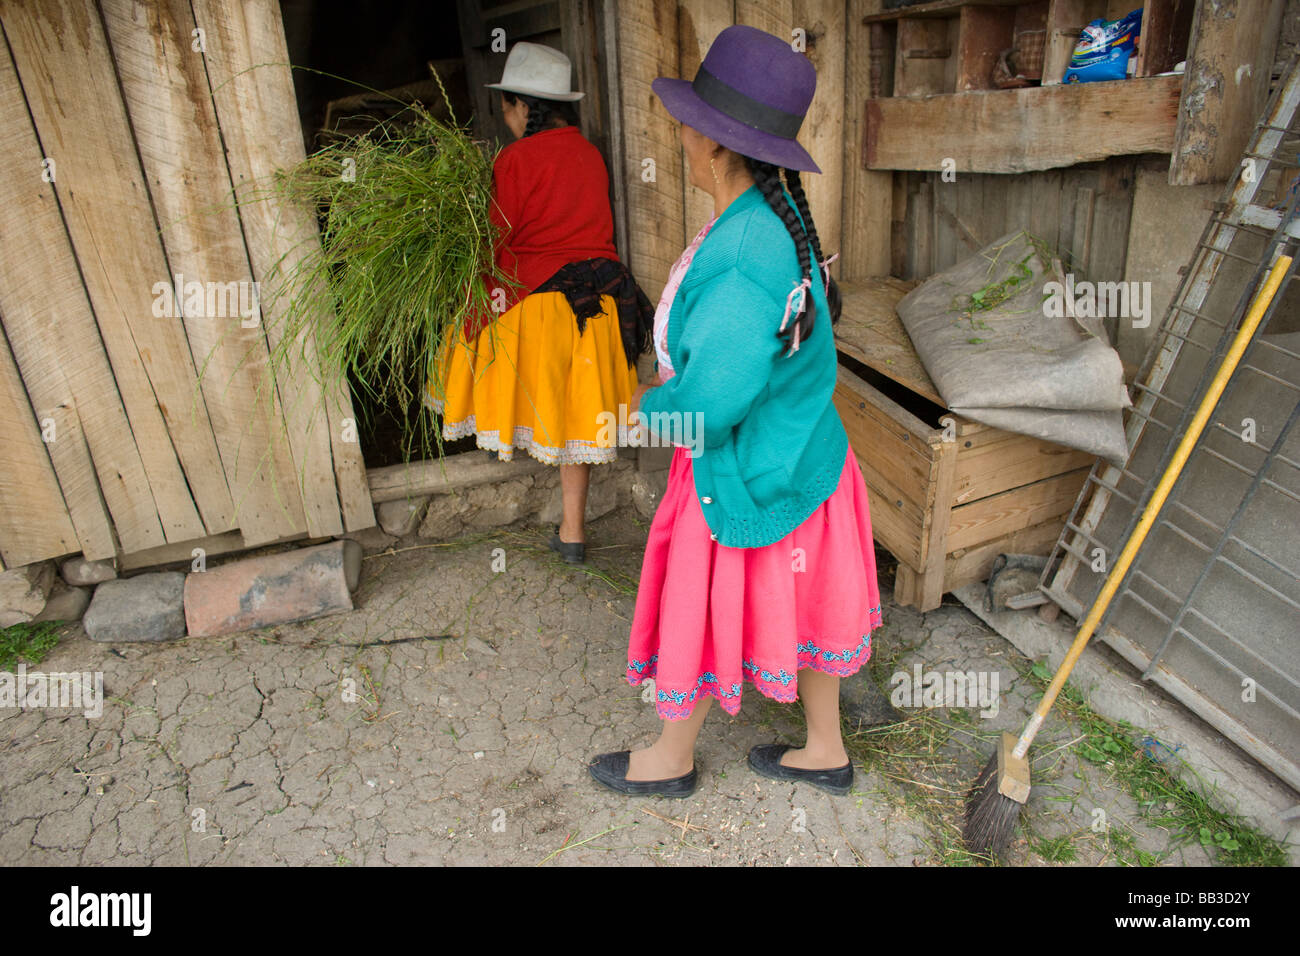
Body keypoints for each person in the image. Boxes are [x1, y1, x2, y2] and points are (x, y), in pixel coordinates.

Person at [587, 24, 885, 798]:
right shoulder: (770, 210)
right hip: (808, 451)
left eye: (688, 120)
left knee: (692, 593)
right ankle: (826, 748)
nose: (678, 132)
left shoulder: (751, 249)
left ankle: (672, 756)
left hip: (746, 462)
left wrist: (644, 411)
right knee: (810, 599)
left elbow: (713, 405)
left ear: (716, 143)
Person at [426, 42, 651, 564]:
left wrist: (468, 288)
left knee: (490, 352)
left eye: (507, 107)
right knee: (577, 423)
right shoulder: (590, 153)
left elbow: (496, 239)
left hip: (539, 306)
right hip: (599, 306)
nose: (506, 117)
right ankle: (572, 532)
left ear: (525, 108)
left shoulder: (515, 158)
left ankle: (537, 502)